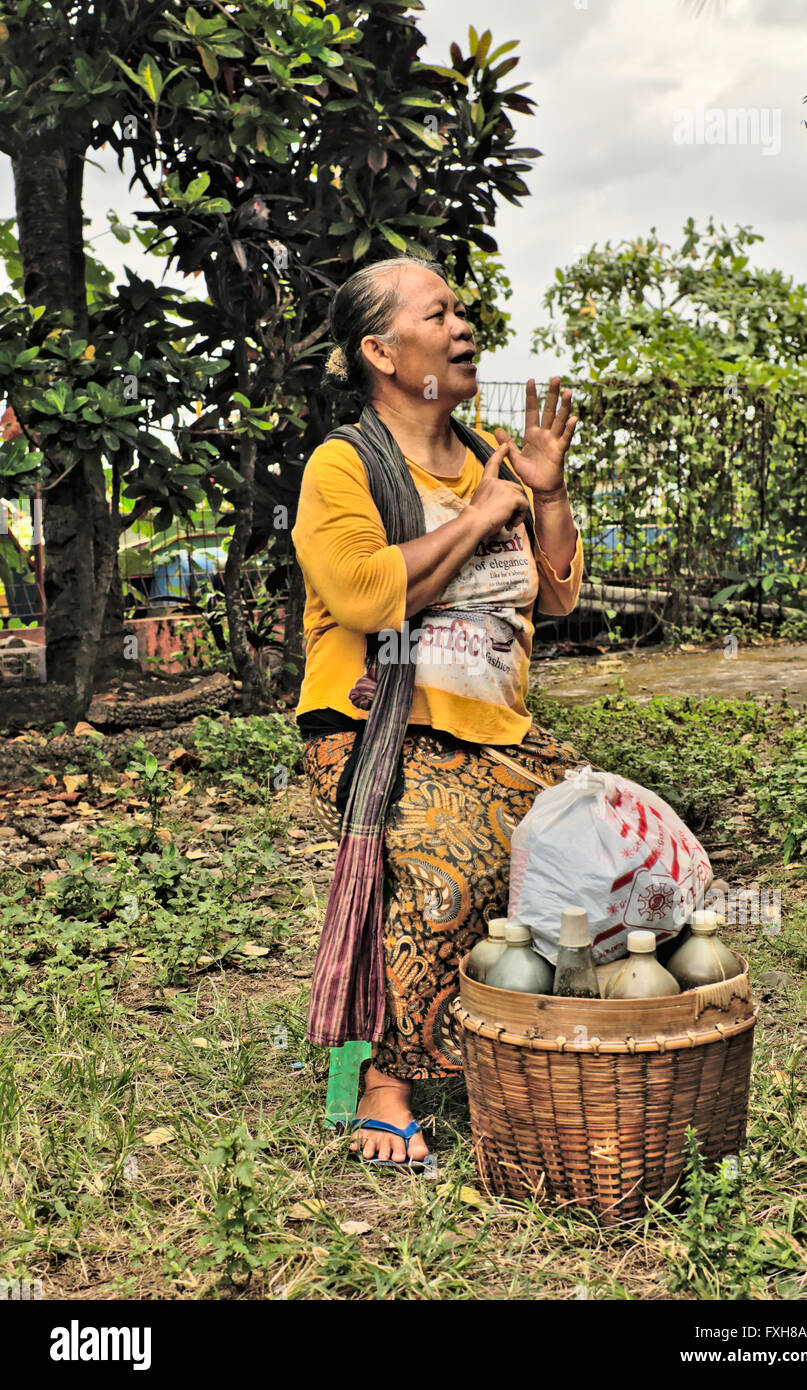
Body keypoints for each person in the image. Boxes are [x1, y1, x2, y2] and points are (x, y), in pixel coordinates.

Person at [292, 254, 587, 1168]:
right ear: (381, 350)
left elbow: (558, 599)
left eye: (462, 312)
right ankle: (378, 1080)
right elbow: (367, 596)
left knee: (602, 842)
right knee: (447, 851)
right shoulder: (344, 465)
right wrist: (476, 515)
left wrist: (543, 493)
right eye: (440, 313)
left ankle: (525, 1043)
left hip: (500, 733)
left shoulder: (492, 454)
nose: (464, 328)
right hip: (373, 730)